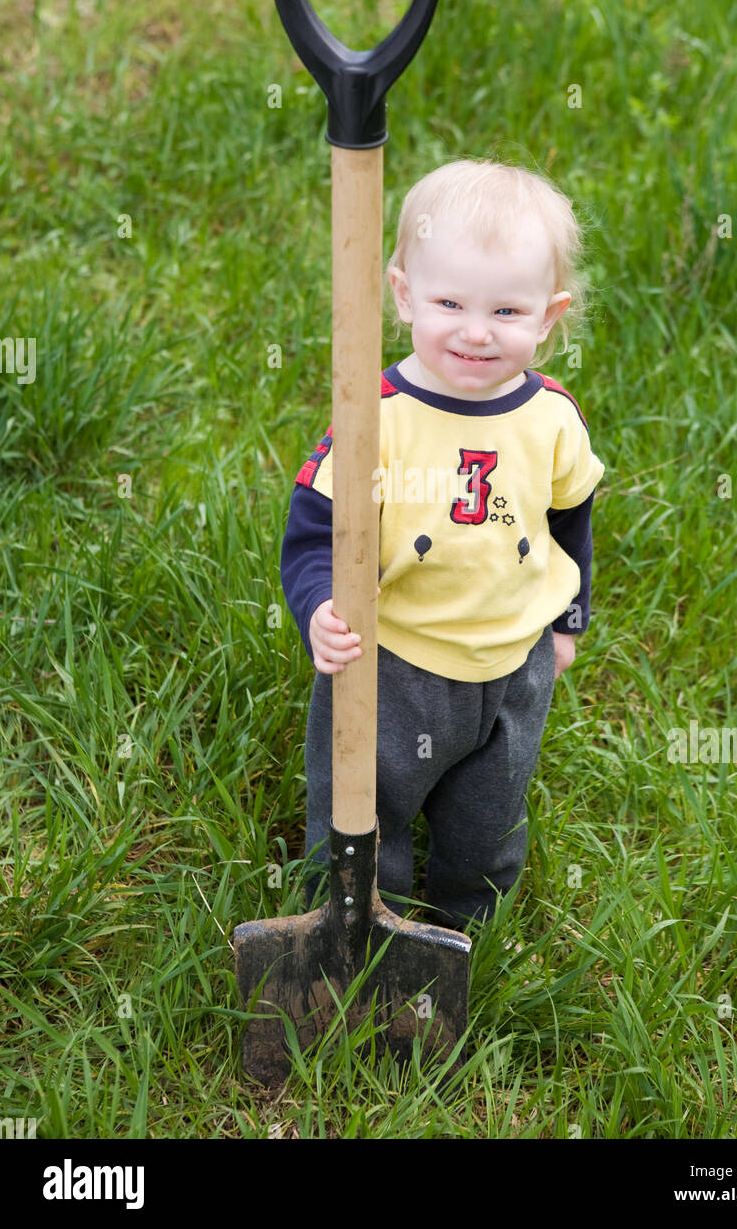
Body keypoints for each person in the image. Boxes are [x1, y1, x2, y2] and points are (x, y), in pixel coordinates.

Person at [280, 159, 605, 928]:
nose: (474, 330)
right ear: (402, 294)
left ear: (549, 315)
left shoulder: (551, 416)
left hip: (514, 665)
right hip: (393, 664)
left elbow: (570, 518)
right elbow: (313, 532)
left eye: (507, 310)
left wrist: (569, 618)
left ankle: (464, 925)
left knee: (488, 818)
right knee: (366, 806)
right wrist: (320, 604)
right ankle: (354, 919)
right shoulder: (376, 415)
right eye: (449, 301)